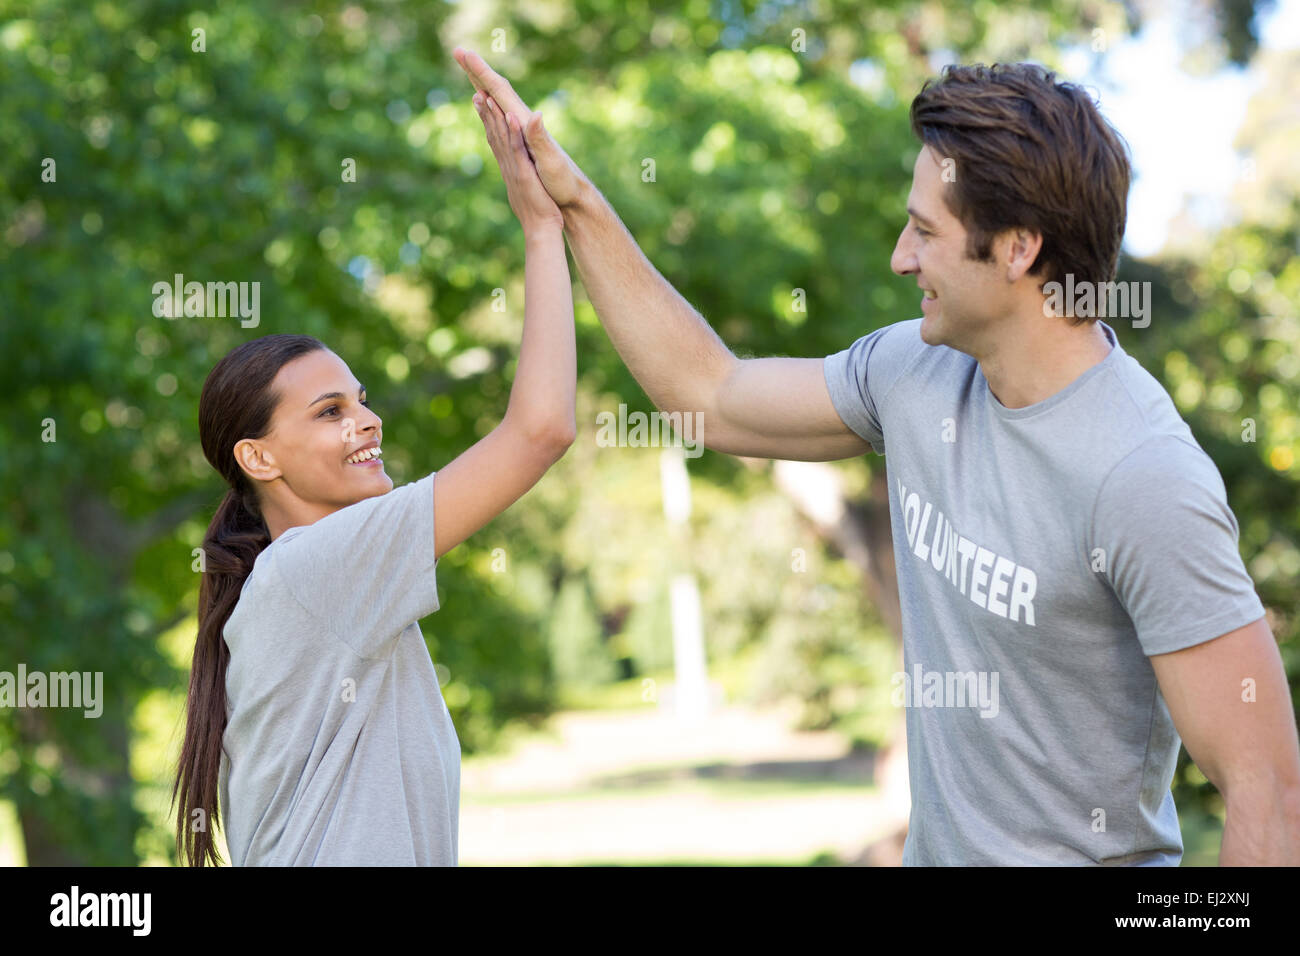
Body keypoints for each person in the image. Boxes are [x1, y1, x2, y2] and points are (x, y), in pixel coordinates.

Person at [454, 48, 1300, 865]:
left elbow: (1266, 790)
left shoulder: (1143, 477)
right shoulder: (916, 370)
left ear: (1018, 249)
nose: (901, 257)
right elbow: (705, 393)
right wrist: (573, 204)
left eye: (925, 232)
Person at [171, 93, 575, 866]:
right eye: (329, 411)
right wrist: (543, 227)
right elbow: (542, 429)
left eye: (362, 400)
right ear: (259, 458)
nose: (367, 422)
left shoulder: (323, 580)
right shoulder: (319, 567)